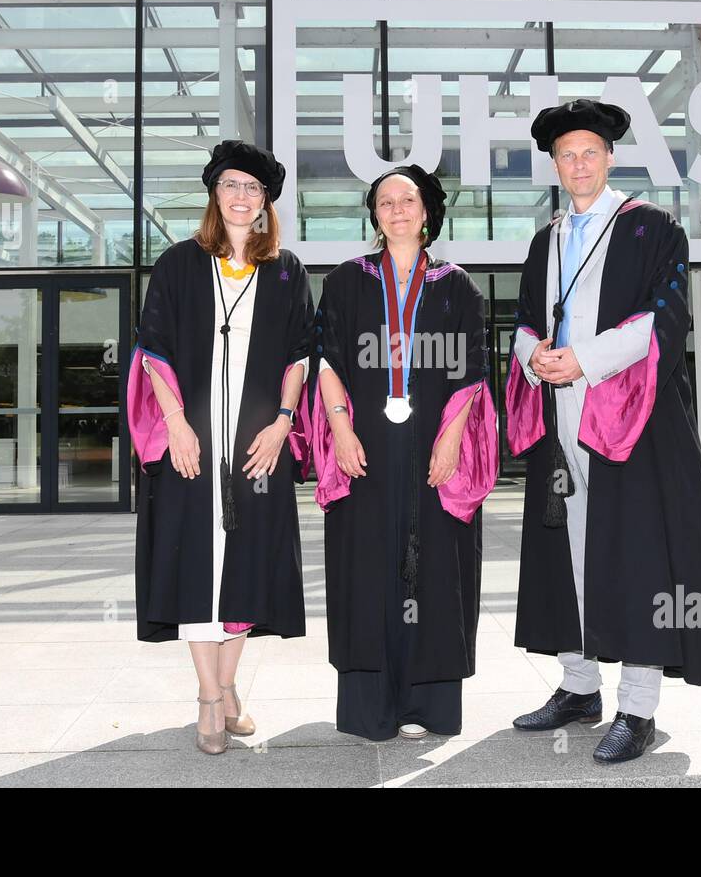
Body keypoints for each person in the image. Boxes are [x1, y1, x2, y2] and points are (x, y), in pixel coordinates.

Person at [506, 99, 701, 763]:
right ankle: (579, 687)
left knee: (637, 555)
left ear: (611, 157)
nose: (579, 163)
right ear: (556, 164)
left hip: (633, 419)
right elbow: (522, 321)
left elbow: (664, 320)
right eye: (567, 154)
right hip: (558, 413)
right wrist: (534, 358)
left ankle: (638, 706)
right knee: (564, 551)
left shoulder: (654, 229)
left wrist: (585, 359)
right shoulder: (547, 239)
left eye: (590, 151)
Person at [127, 139, 315, 755]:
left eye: (253, 188)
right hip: (195, 443)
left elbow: (298, 356)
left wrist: (284, 421)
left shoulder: (285, 269)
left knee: (245, 565)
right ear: (215, 193)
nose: (241, 196)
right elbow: (152, 351)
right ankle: (209, 697)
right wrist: (177, 423)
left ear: (265, 202)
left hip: (259, 442)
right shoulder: (180, 264)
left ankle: (228, 686)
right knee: (196, 564)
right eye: (232, 185)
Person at [312, 164, 498, 741]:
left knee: (437, 566)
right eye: (385, 201)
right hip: (364, 450)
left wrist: (449, 439)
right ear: (375, 214)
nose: (396, 209)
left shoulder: (456, 285)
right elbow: (326, 360)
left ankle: (432, 701)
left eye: (407, 200)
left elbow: (473, 370)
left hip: (433, 451)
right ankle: (372, 706)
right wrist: (340, 430)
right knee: (366, 568)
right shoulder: (346, 281)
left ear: (427, 212)